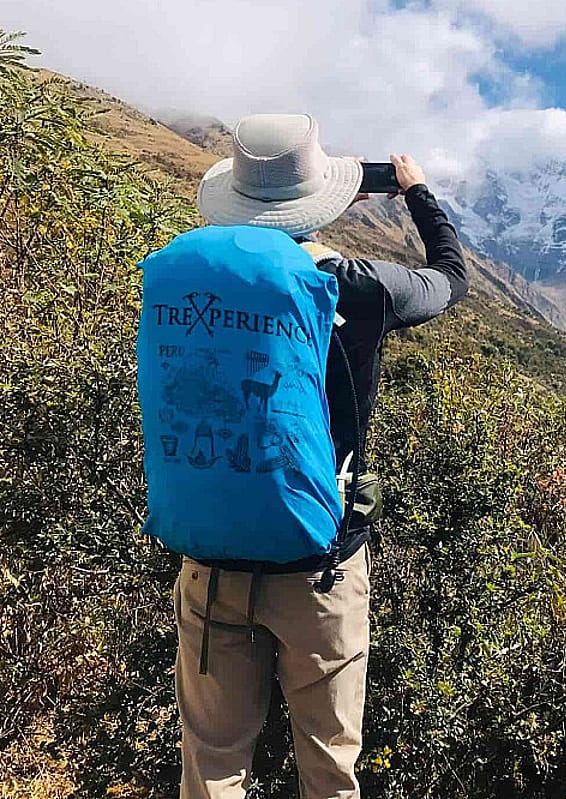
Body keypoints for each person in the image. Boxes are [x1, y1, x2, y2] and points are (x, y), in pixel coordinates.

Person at [164, 113, 467, 799]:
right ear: (325, 197)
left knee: (211, 763)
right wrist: (416, 192)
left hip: (210, 561)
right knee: (328, 771)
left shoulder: (193, 282)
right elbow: (450, 278)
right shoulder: (355, 286)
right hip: (322, 567)